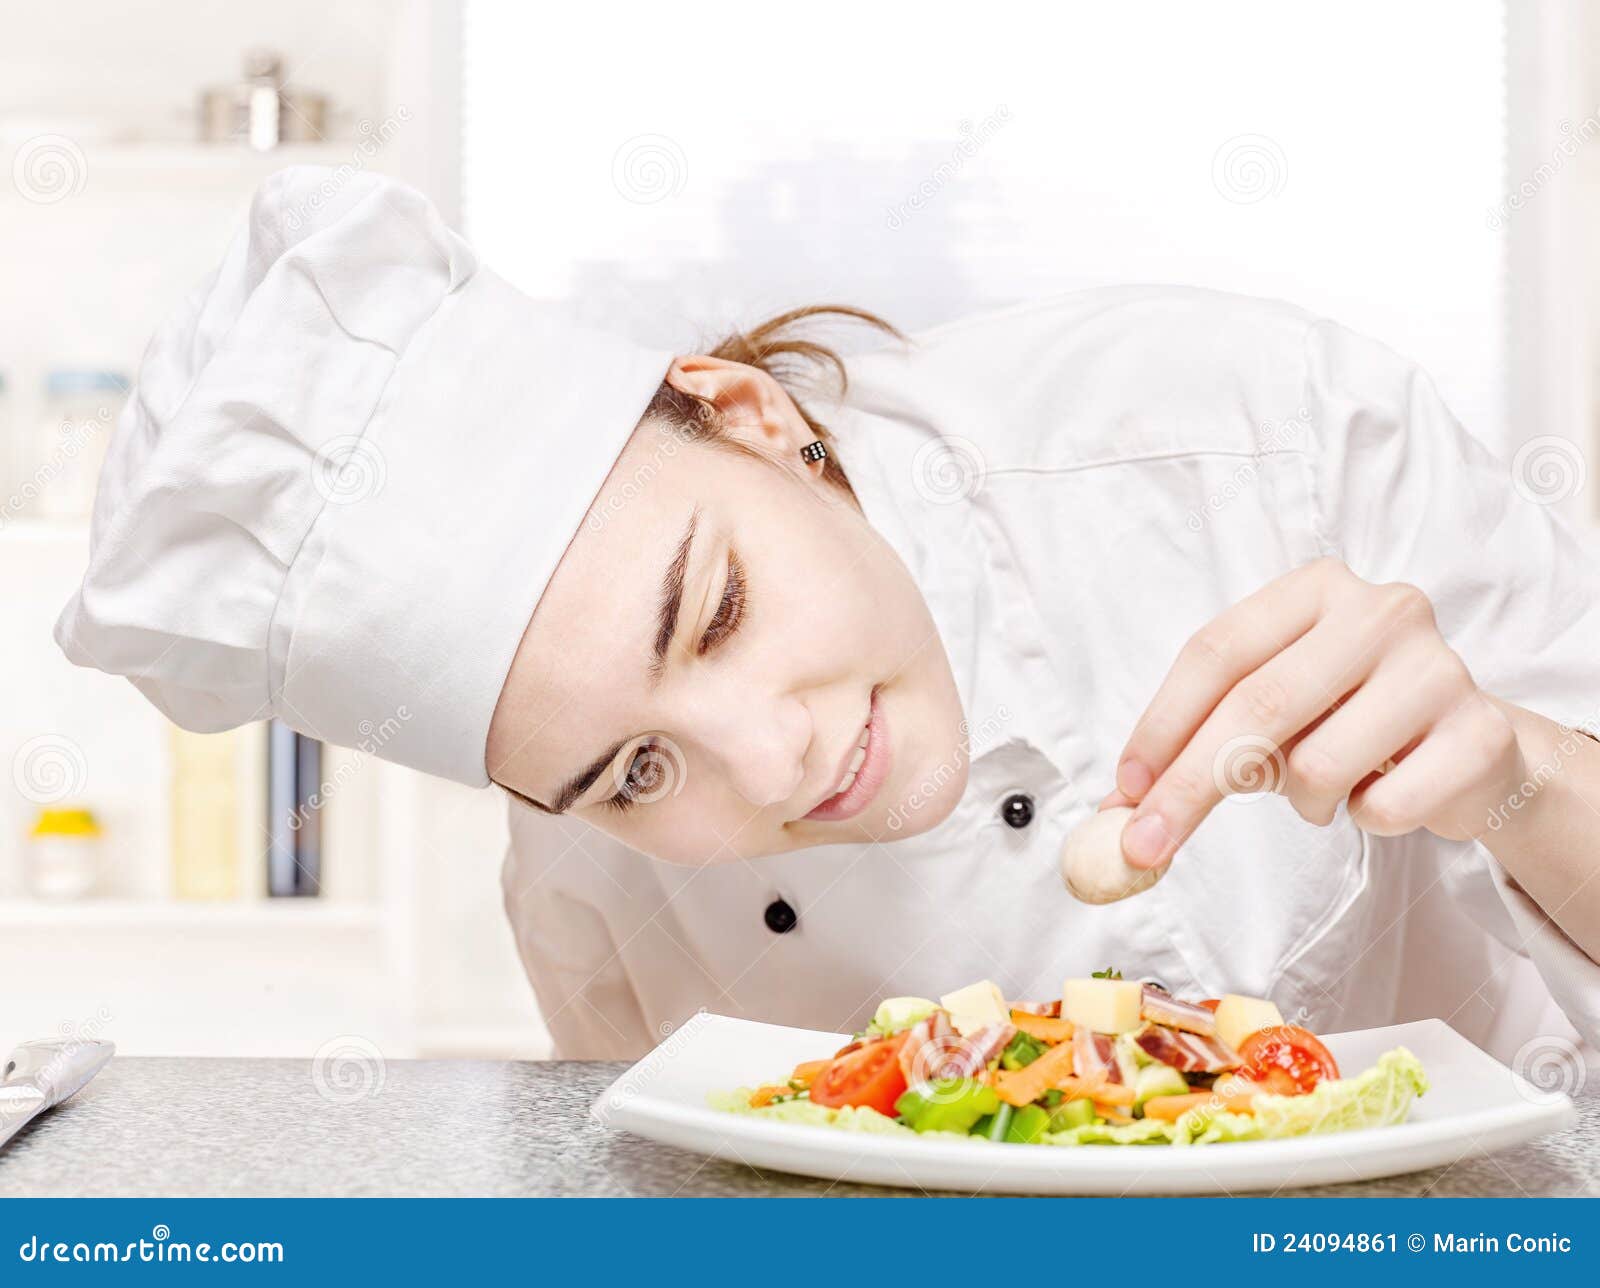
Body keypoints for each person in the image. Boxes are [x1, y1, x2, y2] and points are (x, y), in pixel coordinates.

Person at [58, 168, 1600, 1067]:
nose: (773, 761)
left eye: (714, 613)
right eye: (635, 773)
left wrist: (1521, 776)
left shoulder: (1249, 436)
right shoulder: (582, 889)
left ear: (745, 415)